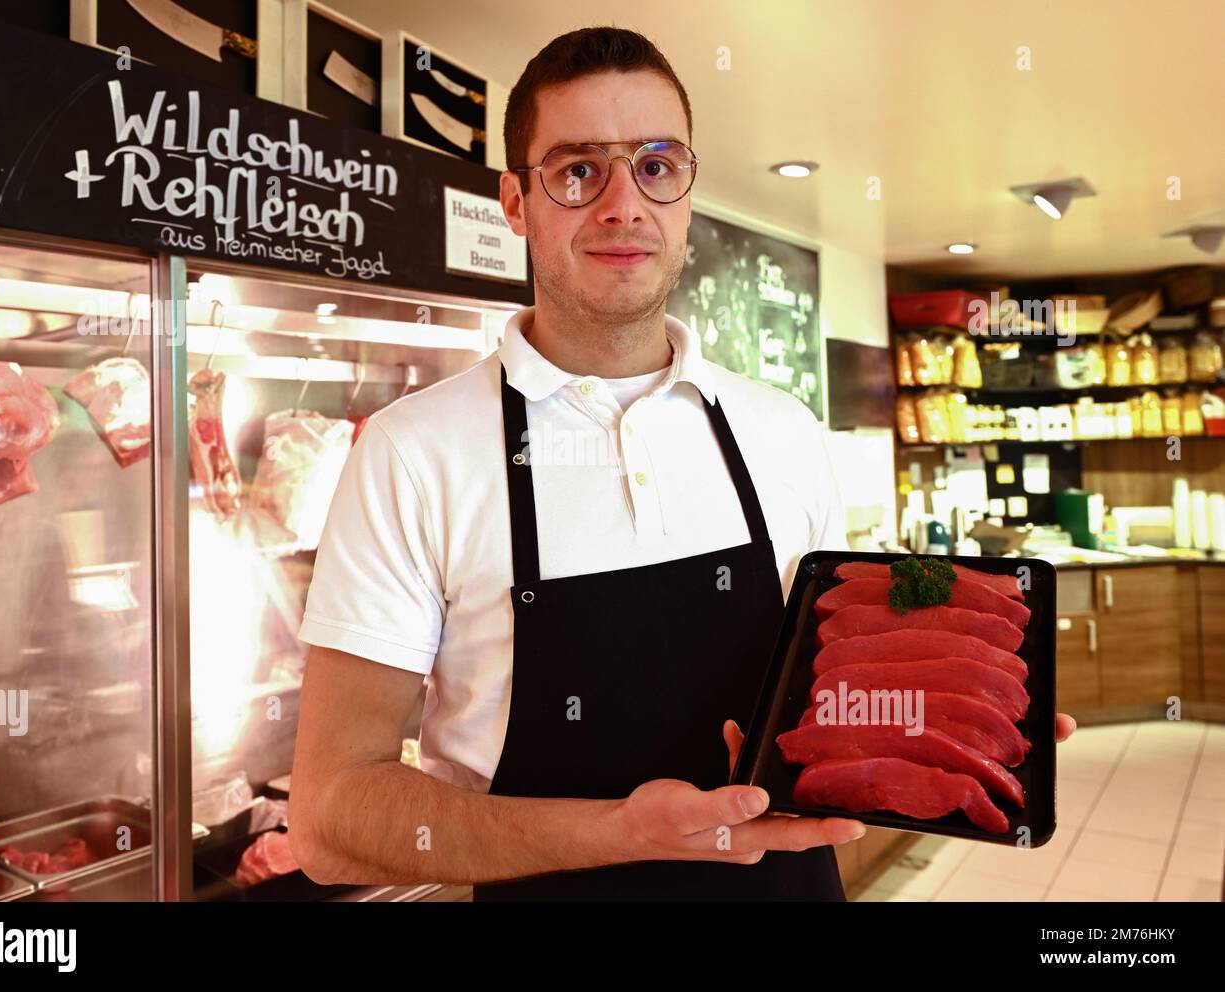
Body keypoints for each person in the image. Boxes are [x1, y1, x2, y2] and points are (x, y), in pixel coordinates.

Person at [288, 25, 1076, 902]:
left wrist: (943, 718)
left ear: (687, 191)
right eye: (579, 169)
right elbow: (330, 821)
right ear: (515, 203)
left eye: (656, 166)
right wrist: (618, 833)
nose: (624, 205)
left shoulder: (784, 431)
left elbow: (821, 710)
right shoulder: (412, 453)